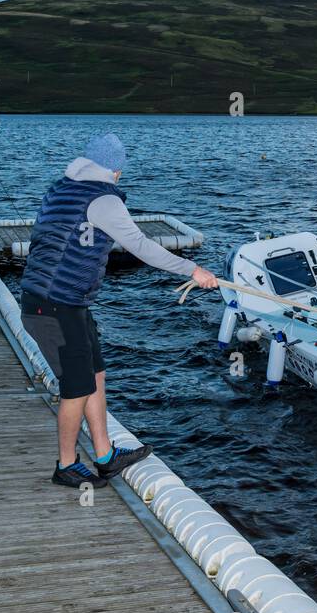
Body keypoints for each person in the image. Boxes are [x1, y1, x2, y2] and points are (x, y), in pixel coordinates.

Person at [20, 133, 217, 489]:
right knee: (76, 387)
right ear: (115, 170)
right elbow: (141, 246)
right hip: (53, 305)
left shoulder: (61, 188)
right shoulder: (103, 200)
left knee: (95, 375)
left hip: (61, 300)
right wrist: (193, 270)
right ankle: (65, 465)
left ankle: (105, 455)